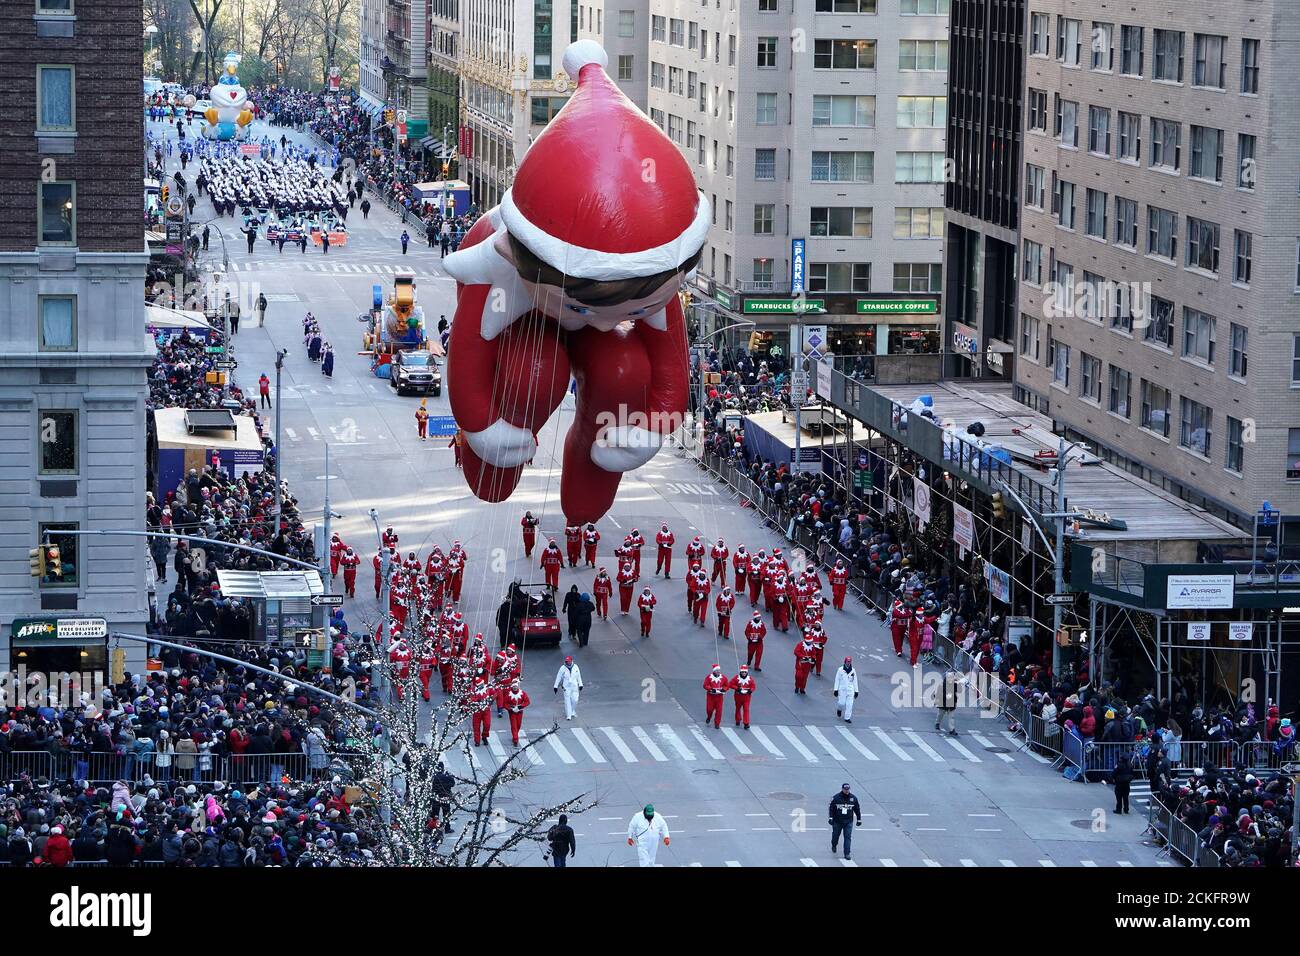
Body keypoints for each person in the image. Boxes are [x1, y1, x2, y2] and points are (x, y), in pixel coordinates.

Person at [828, 783, 861, 860]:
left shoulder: (853, 798)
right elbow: (831, 808)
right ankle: (834, 844)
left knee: (847, 837)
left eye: (848, 789)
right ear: (842, 789)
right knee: (835, 835)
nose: (847, 791)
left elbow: (857, 809)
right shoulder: (836, 798)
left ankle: (847, 853)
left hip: (848, 821)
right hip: (837, 821)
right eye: (845, 789)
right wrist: (831, 818)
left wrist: (859, 819)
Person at [502, 678, 530, 746]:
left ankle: (515, 735)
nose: (515, 688)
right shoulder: (509, 694)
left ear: (518, 686)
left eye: (516, 686)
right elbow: (505, 703)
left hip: (519, 711)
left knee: (518, 725)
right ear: (512, 687)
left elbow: (527, 701)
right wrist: (510, 709)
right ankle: (515, 739)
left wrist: (521, 706)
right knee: (514, 725)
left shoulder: (522, 693)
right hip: (512, 712)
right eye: (514, 687)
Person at [553, 655, 583, 720]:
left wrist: (580, 684)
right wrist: (555, 686)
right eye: (566, 661)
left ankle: (573, 711)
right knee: (567, 701)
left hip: (574, 687)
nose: (567, 662)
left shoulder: (576, 667)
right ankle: (568, 715)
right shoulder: (562, 668)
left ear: (571, 661)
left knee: (575, 700)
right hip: (566, 688)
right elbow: (558, 677)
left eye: (568, 661)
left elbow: (579, 676)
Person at [833, 657, 859, 723]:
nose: (849, 663)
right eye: (848, 661)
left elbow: (855, 681)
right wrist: (835, 689)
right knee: (841, 703)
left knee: (849, 704)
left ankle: (847, 718)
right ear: (845, 662)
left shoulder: (853, 670)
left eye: (850, 661)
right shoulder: (840, 670)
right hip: (842, 689)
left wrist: (856, 691)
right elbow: (837, 680)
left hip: (850, 689)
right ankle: (839, 709)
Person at [935, 669, 960, 736]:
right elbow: (938, 693)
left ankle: (952, 729)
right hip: (943, 702)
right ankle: (937, 723)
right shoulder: (942, 684)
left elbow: (958, 691)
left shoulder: (955, 684)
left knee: (951, 717)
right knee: (940, 714)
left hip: (952, 703)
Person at [730, 664, 755, 729]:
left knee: (746, 709)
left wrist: (750, 690)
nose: (744, 673)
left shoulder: (750, 679)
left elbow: (753, 686)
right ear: (740, 672)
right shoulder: (736, 678)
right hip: (738, 697)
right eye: (742, 672)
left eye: (745, 672)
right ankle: (738, 720)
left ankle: (746, 723)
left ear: (747, 672)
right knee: (738, 708)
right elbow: (730, 684)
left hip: (746, 697)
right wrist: (737, 688)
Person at [703, 664, 728, 729]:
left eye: (719, 670)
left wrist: (724, 689)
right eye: (716, 670)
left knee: (719, 711)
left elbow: (727, 685)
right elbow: (705, 685)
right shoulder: (709, 677)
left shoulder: (723, 678)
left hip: (719, 696)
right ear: (714, 671)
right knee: (709, 709)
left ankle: (717, 723)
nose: (718, 671)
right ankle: (709, 716)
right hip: (711, 696)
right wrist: (711, 689)